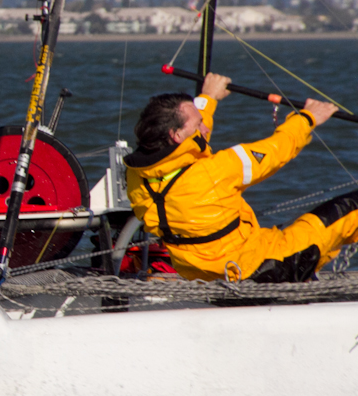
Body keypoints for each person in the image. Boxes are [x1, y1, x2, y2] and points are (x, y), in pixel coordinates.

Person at [125, 71, 358, 283]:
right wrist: (308, 118)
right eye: (199, 124)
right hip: (269, 267)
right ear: (176, 135)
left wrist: (208, 97)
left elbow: (189, 149)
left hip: (207, 278)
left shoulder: (137, 178)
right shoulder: (216, 171)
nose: (205, 128)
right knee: (350, 210)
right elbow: (276, 151)